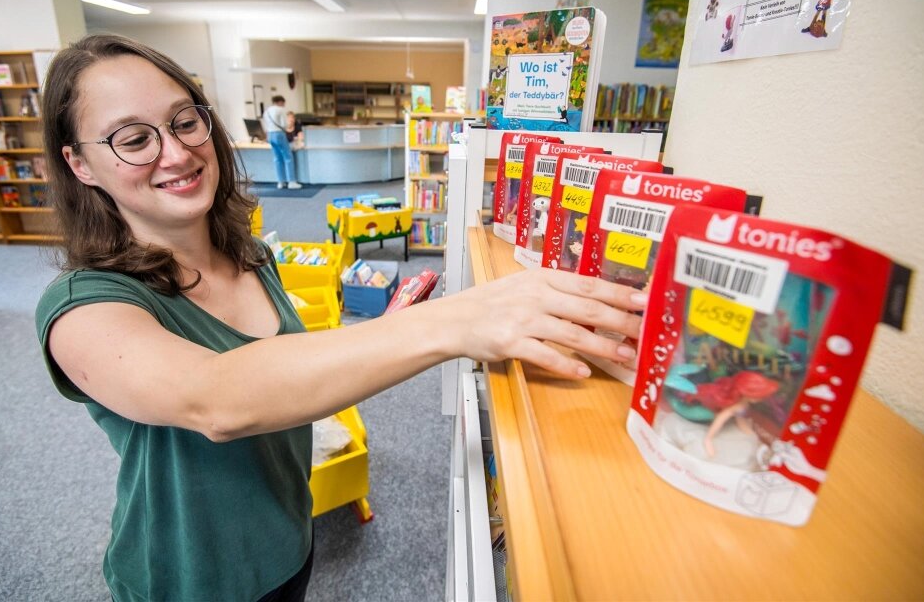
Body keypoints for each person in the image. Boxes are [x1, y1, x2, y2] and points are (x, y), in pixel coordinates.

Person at [35, 34, 647, 602]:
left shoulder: (248, 252)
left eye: (184, 120)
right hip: (186, 582)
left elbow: (283, 373)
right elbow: (213, 399)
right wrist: (457, 320)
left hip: (287, 545)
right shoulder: (84, 306)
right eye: (133, 138)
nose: (175, 151)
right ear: (81, 165)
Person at [263, 94, 301, 189]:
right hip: (279, 134)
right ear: (281, 102)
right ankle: (291, 181)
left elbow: (266, 125)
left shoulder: (267, 111)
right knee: (288, 157)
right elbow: (284, 124)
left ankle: (281, 182)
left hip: (270, 135)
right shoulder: (280, 110)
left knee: (277, 158)